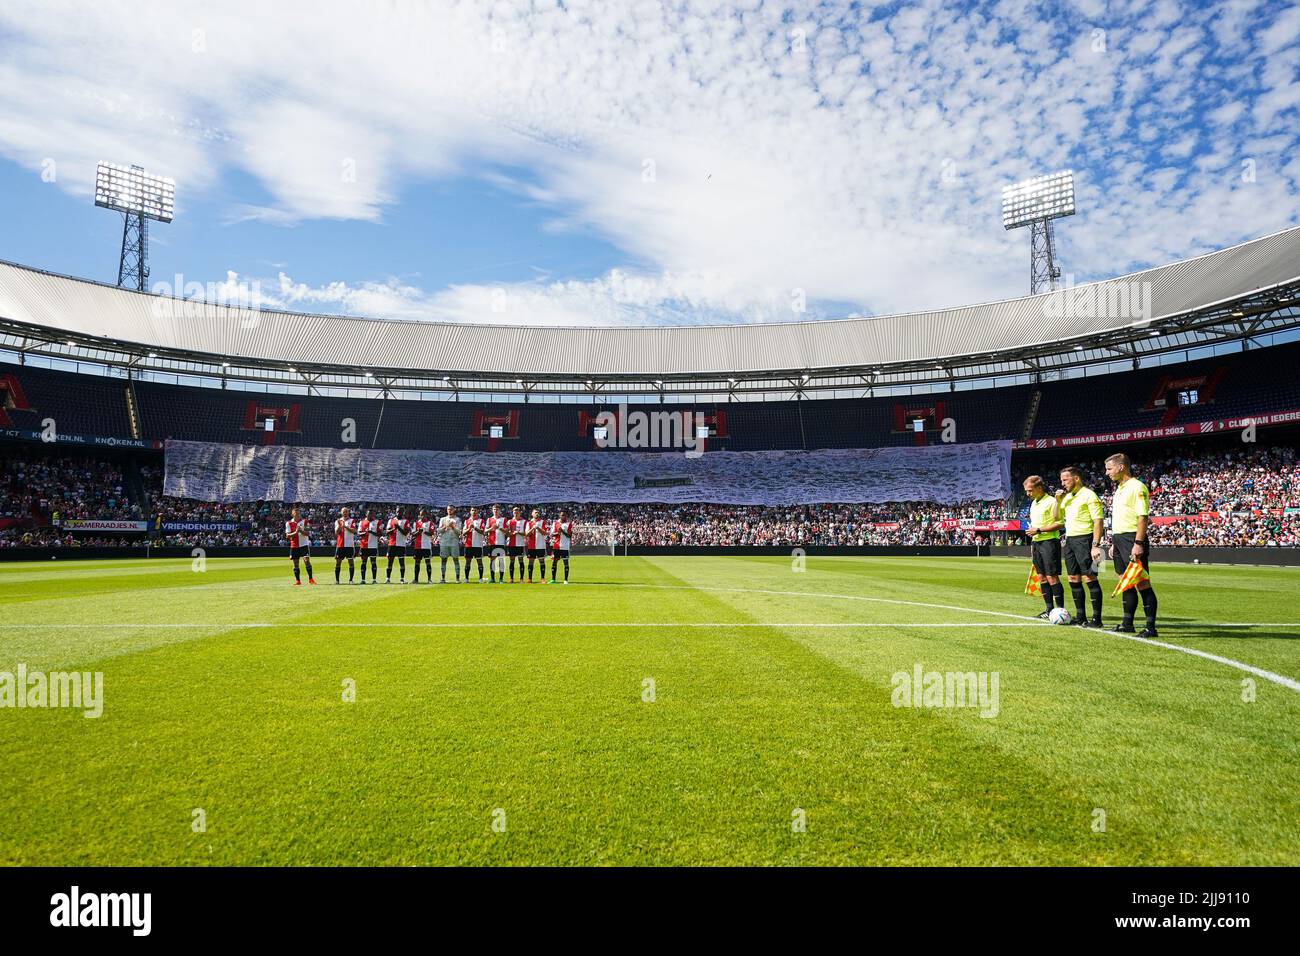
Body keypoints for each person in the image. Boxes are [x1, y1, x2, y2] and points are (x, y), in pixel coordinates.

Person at [1105, 452, 1159, 636]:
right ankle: (1127, 623)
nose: (1107, 473)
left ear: (1121, 467)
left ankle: (1151, 627)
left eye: (1109, 469)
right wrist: (1114, 542)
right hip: (1120, 539)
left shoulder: (1137, 487)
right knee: (1125, 581)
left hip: (1132, 538)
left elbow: (1143, 517)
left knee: (1142, 582)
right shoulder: (1119, 488)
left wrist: (1138, 542)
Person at [1056, 467, 1104, 627]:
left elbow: (1098, 520)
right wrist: (1058, 501)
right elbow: (1057, 518)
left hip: (1087, 539)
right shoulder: (1067, 497)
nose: (1062, 483)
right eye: (1061, 480)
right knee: (1073, 578)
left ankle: (1097, 619)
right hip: (1070, 540)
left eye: (1065, 479)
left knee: (1091, 577)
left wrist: (1096, 545)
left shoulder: (1089, 495)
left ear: (1076, 478)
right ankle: (1080, 616)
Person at [1023, 475, 1064, 619]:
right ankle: (1048, 610)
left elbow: (1060, 523)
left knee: (1052, 577)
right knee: (1041, 578)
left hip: (1049, 542)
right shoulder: (1034, 502)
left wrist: (1039, 530)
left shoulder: (1052, 501)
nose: (1028, 494)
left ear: (1039, 488)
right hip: (1037, 543)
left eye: (1030, 490)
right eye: (1026, 491)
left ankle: (1060, 611)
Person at [285, 507, 316, 586]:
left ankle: (311, 579)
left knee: (306, 561)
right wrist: (296, 532)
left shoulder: (305, 521)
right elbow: (287, 536)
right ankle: (298, 581)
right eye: (295, 513)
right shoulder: (289, 523)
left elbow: (308, 533)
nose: (297, 514)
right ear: (292, 514)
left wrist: (301, 531)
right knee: (296, 564)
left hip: (304, 545)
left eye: (298, 513)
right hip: (294, 546)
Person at [438, 505, 463, 583]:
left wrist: (453, 527)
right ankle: (443, 578)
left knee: (456, 559)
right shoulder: (443, 519)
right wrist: (445, 526)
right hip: (444, 542)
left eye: (451, 509)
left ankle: (457, 579)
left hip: (454, 542)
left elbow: (459, 532)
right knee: (443, 560)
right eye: (448, 509)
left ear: (454, 510)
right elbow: (439, 531)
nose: (449, 511)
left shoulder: (457, 519)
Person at [549, 508, 574, 584]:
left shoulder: (568, 524)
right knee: (554, 562)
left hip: (565, 546)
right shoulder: (555, 523)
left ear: (566, 516)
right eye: (562, 515)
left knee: (565, 562)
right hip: (556, 546)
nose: (563, 516)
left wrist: (562, 531)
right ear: (559, 515)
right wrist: (557, 533)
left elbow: (569, 535)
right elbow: (551, 534)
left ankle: (565, 580)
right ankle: (553, 579)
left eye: (564, 515)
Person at [385, 508, 410, 583]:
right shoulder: (391, 520)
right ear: (395, 512)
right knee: (390, 562)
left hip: (401, 544)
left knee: (401, 562)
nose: (398, 513)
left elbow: (405, 533)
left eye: (400, 512)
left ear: (403, 512)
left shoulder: (406, 521)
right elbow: (387, 532)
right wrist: (393, 529)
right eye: (397, 511)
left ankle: (402, 579)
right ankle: (388, 579)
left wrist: (398, 527)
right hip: (392, 544)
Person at [333, 506, 357, 584]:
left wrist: (345, 526)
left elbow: (354, 531)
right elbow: (336, 533)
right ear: (341, 513)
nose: (345, 513)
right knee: (338, 562)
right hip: (340, 545)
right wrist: (340, 526)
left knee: (351, 562)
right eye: (344, 512)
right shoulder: (338, 521)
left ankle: (351, 580)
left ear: (348, 512)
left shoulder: (352, 520)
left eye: (346, 511)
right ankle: (337, 580)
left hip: (349, 545)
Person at [486, 505, 508, 583]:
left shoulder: (503, 519)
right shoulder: (489, 519)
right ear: (492, 510)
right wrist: (492, 528)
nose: (495, 510)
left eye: (497, 509)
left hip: (501, 543)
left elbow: (507, 531)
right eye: (494, 509)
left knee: (501, 561)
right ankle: (492, 579)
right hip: (492, 543)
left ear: (500, 510)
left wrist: (500, 528)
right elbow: (485, 531)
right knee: (492, 561)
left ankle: (501, 579)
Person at [463, 506, 487, 582]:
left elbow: (483, 532)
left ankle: (480, 578)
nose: (474, 512)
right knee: (468, 562)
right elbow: (463, 533)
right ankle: (466, 578)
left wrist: (475, 528)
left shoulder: (481, 521)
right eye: (472, 510)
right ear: (470, 512)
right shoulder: (467, 521)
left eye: (475, 510)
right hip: (468, 544)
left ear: (478, 512)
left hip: (478, 544)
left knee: (479, 561)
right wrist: (469, 528)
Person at [410, 508, 433, 583]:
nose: (421, 516)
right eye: (420, 515)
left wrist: (424, 531)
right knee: (417, 562)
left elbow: (431, 534)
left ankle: (429, 579)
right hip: (418, 546)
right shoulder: (416, 523)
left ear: (426, 515)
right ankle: (416, 579)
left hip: (426, 545)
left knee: (428, 562)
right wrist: (418, 532)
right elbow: (413, 534)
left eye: (423, 515)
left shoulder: (430, 523)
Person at [357, 509, 379, 584]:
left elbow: (380, 534)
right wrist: (365, 532)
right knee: (364, 562)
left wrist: (372, 532)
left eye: (372, 514)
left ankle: (374, 580)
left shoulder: (377, 522)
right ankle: (363, 580)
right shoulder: (362, 522)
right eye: (369, 514)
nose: (371, 515)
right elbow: (359, 533)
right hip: (364, 546)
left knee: (373, 562)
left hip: (373, 546)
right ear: (366, 514)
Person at [525, 508, 548, 582]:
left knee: (542, 561)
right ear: (532, 514)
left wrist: (538, 528)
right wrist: (532, 529)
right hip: (531, 546)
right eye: (535, 512)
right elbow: (526, 534)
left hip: (540, 545)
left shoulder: (542, 522)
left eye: (538, 512)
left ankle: (542, 578)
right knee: (531, 562)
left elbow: (545, 533)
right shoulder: (529, 523)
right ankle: (530, 579)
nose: (537, 514)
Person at [507, 506, 527, 583]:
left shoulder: (524, 521)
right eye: (514, 511)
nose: (516, 513)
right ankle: (511, 579)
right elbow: (507, 533)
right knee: (512, 561)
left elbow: (526, 533)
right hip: (511, 544)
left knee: (521, 561)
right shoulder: (509, 522)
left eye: (517, 511)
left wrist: (518, 532)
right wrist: (511, 533)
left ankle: (521, 579)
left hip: (520, 544)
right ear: (513, 512)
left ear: (520, 512)